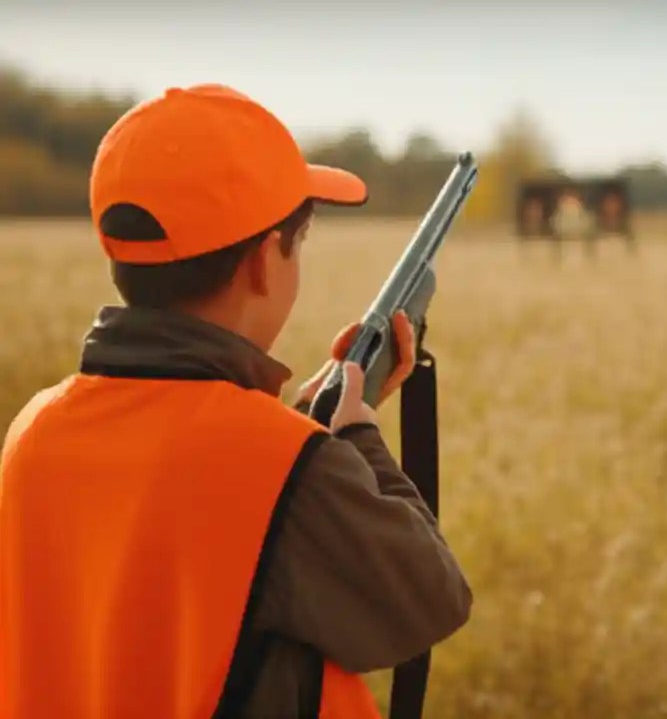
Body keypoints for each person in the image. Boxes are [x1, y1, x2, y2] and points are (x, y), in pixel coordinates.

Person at [0, 85, 472, 718]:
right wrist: (356, 440)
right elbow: (430, 601)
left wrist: (304, 440)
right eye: (297, 244)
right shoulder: (289, 466)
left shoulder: (34, 431)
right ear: (260, 264)